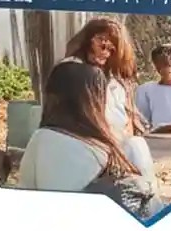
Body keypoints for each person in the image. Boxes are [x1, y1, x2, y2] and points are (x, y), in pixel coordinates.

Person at [18, 62, 168, 220]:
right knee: (136, 145)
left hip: (51, 229)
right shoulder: (101, 150)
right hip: (95, 229)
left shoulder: (39, 139)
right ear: (94, 100)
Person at [63, 18, 154, 177]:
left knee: (136, 145)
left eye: (111, 49)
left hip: (115, 150)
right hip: (84, 147)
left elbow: (127, 126)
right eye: (102, 44)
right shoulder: (72, 70)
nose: (105, 52)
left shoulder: (116, 82)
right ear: (88, 40)